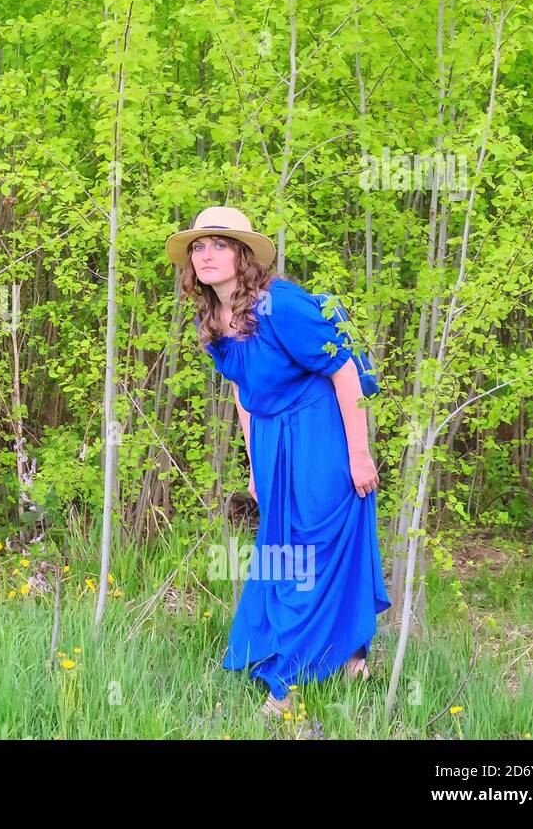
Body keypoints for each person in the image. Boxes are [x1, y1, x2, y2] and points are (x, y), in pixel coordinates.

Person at [165, 205, 392, 719]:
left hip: (319, 434)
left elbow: (344, 372)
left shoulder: (280, 305)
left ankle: (286, 684)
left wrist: (359, 454)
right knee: (282, 550)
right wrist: (253, 465)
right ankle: (354, 665)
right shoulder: (213, 317)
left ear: (244, 255)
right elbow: (246, 393)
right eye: (199, 246)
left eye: (219, 245)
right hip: (270, 438)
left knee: (317, 546)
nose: (206, 255)